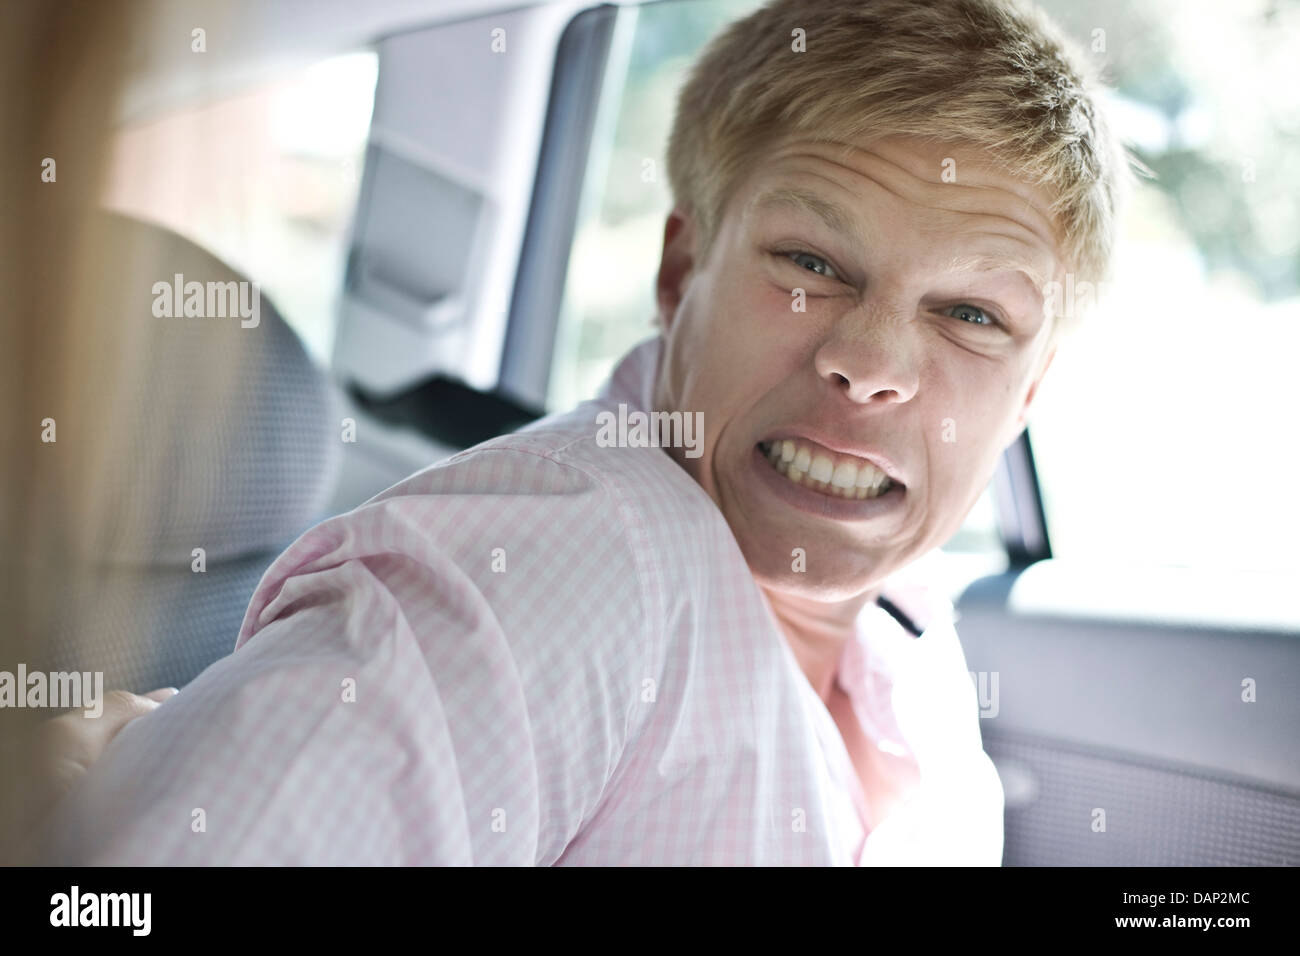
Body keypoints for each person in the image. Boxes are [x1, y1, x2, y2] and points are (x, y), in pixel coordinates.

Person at [33, 0, 1133, 865]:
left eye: (971, 315)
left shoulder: (909, 635)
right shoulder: (560, 562)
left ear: (1027, 391)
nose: (875, 362)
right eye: (810, 263)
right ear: (678, 271)